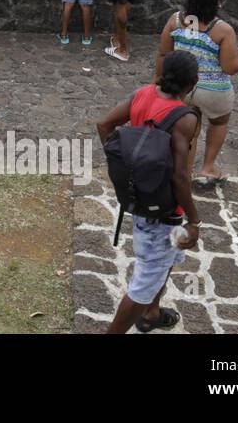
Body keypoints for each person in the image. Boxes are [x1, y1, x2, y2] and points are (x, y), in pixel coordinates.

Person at [96, 51, 202, 334]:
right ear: (192, 83)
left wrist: (122, 163)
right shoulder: (185, 118)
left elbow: (104, 125)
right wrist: (194, 220)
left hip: (141, 196)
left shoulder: (142, 94)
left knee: (167, 258)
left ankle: (151, 314)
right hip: (164, 209)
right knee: (145, 281)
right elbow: (180, 176)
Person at [154, 0, 238, 186]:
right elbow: (231, 67)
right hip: (213, 89)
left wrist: (158, 79)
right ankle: (208, 167)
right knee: (219, 122)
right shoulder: (222, 29)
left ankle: (184, 171)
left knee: (189, 131)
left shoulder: (176, 20)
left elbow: (164, 54)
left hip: (182, 86)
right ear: (218, 0)